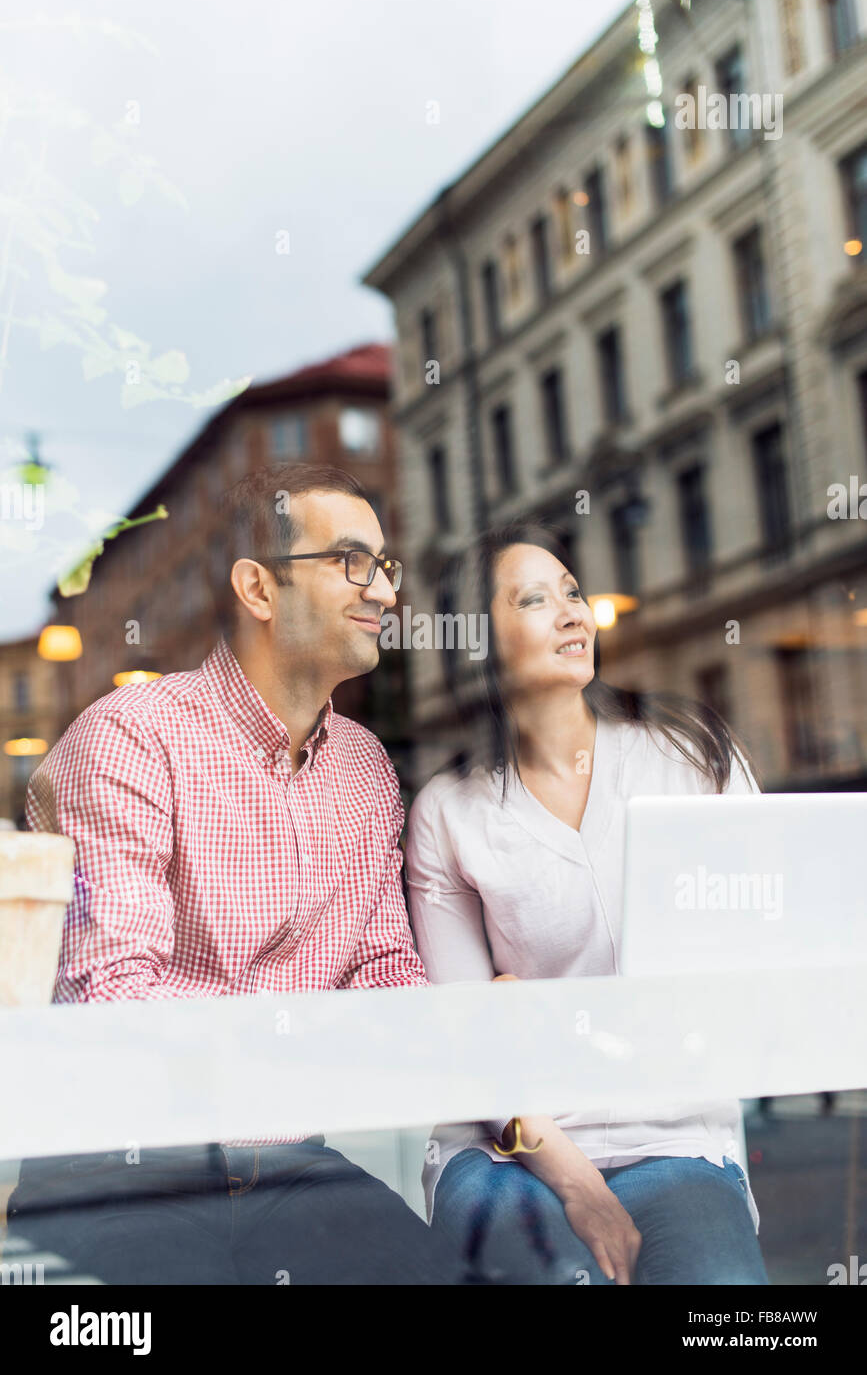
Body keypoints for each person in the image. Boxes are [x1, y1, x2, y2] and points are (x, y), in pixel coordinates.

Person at [6, 464, 462, 1286]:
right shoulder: (132, 737)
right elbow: (111, 999)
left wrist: (465, 1021)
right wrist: (326, 1048)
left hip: (290, 1166)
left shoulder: (363, 768)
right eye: (351, 561)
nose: (385, 593)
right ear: (258, 587)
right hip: (125, 1167)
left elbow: (382, 966)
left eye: (386, 566)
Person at [405, 522, 770, 1286]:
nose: (574, 613)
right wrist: (579, 1187)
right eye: (535, 599)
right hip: (505, 1151)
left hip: (674, 1140)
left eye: (573, 592)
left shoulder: (688, 758)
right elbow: (471, 1044)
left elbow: (764, 942)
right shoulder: (449, 810)